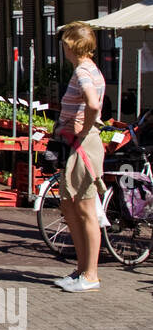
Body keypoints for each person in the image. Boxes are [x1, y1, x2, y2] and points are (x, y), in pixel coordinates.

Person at [54, 22, 106, 292]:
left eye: (64, 42)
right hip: (75, 144)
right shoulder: (89, 69)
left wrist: (84, 128)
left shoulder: (83, 70)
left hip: (82, 145)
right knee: (70, 205)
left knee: (85, 210)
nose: (62, 46)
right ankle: (81, 269)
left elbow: (93, 103)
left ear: (71, 46)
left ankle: (91, 275)